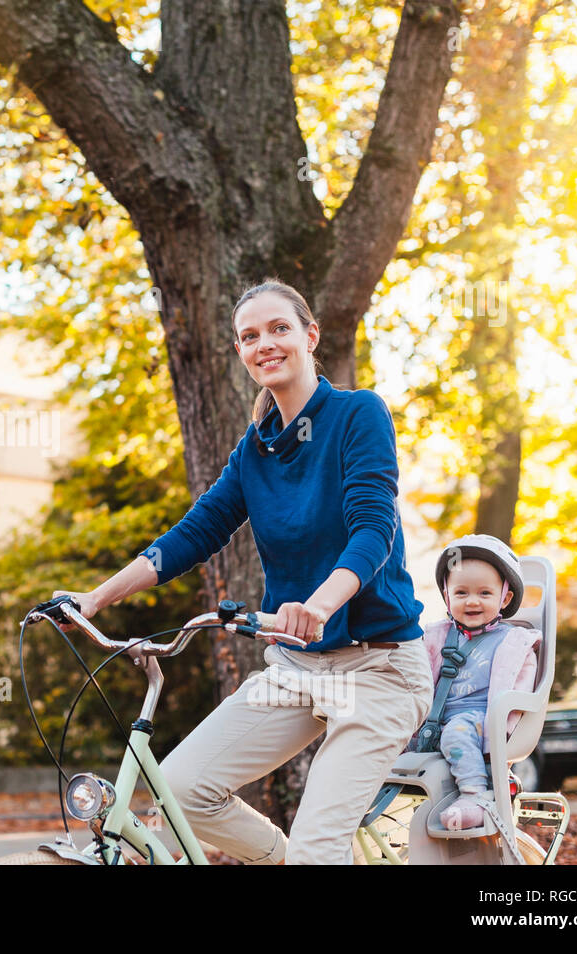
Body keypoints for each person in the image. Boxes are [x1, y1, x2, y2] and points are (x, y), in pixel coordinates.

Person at [51, 277, 433, 865]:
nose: (265, 344)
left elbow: (372, 528)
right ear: (241, 353)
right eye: (249, 336)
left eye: (279, 329)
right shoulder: (254, 452)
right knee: (179, 791)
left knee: (320, 842)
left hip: (379, 668)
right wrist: (95, 600)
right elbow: (193, 535)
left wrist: (320, 606)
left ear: (309, 336)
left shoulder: (358, 414)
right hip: (297, 668)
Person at [414, 534, 542, 830]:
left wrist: (504, 728)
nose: (472, 601)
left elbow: (520, 685)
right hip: (434, 719)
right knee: (386, 733)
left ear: (505, 598)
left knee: (457, 733)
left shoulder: (513, 642)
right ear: (447, 596)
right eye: (461, 593)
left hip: (481, 720)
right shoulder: (435, 637)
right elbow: (415, 674)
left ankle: (476, 795)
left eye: (485, 593)